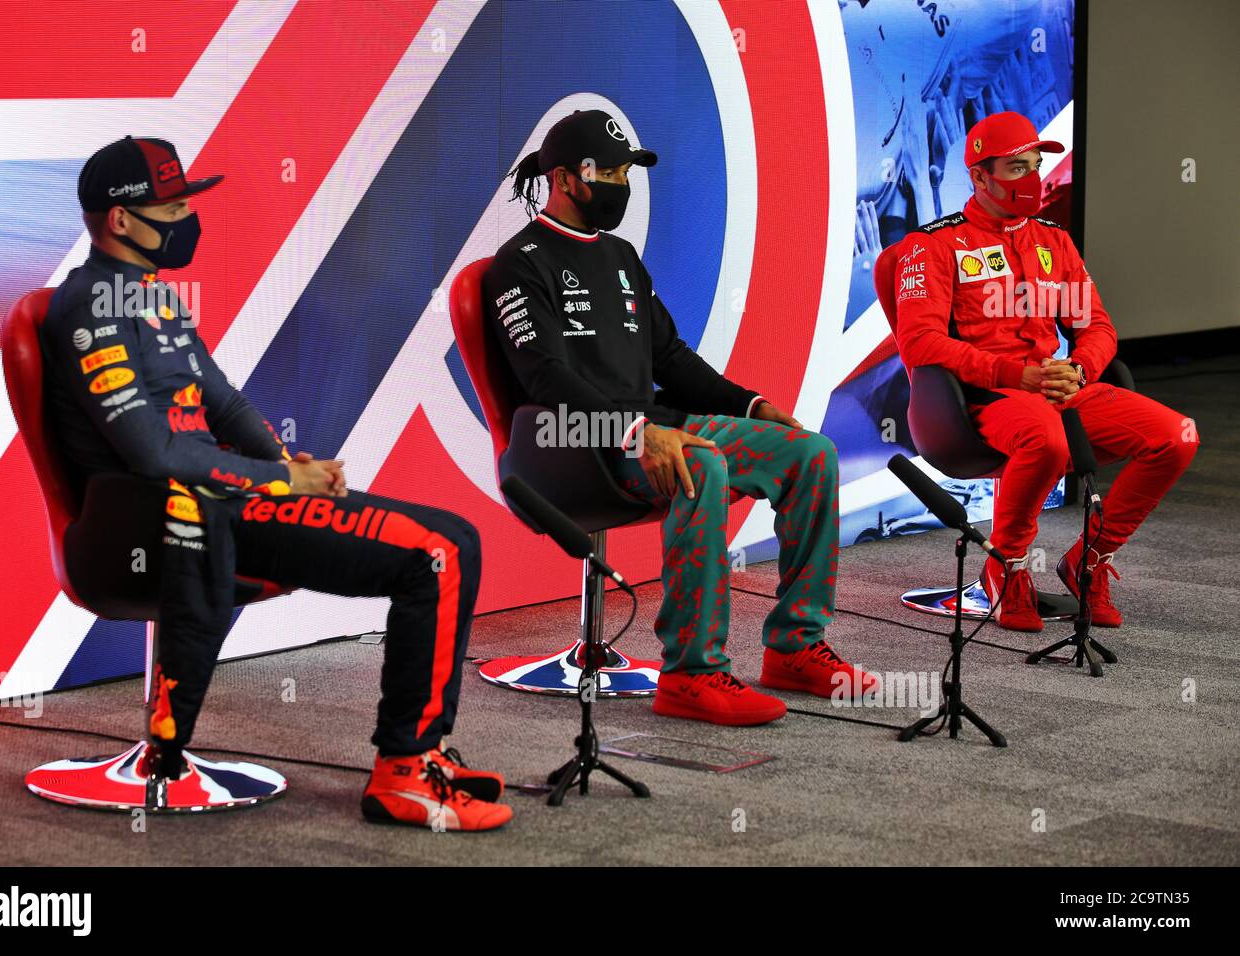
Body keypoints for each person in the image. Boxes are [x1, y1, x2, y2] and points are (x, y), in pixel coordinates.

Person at [40, 136, 510, 830]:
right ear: (119, 219)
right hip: (154, 521)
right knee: (435, 551)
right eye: (171, 205)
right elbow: (153, 453)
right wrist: (281, 481)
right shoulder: (92, 306)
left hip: (224, 505)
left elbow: (222, 402)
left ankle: (420, 754)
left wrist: (294, 467)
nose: (185, 218)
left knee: (453, 539)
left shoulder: (153, 298)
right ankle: (405, 773)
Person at [483, 110, 876, 726]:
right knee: (703, 464)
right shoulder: (519, 263)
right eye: (606, 172)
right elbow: (543, 381)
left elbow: (668, 356)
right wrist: (635, 431)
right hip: (569, 441)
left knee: (809, 454)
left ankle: (795, 647)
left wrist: (752, 405)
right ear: (563, 178)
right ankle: (691, 673)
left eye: (625, 171)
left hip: (652, 428)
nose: (620, 183)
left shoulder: (620, 256)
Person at [892, 112, 1198, 631]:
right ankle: (1006, 567)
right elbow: (919, 341)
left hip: (1059, 389)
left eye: (1036, 165)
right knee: (1048, 441)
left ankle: (1089, 560)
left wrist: (1077, 369)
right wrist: (1017, 376)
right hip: (980, 401)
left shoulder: (1053, 240)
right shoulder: (935, 244)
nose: (1031, 178)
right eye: (1016, 167)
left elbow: (1097, 327)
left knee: (1177, 435)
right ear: (979, 176)